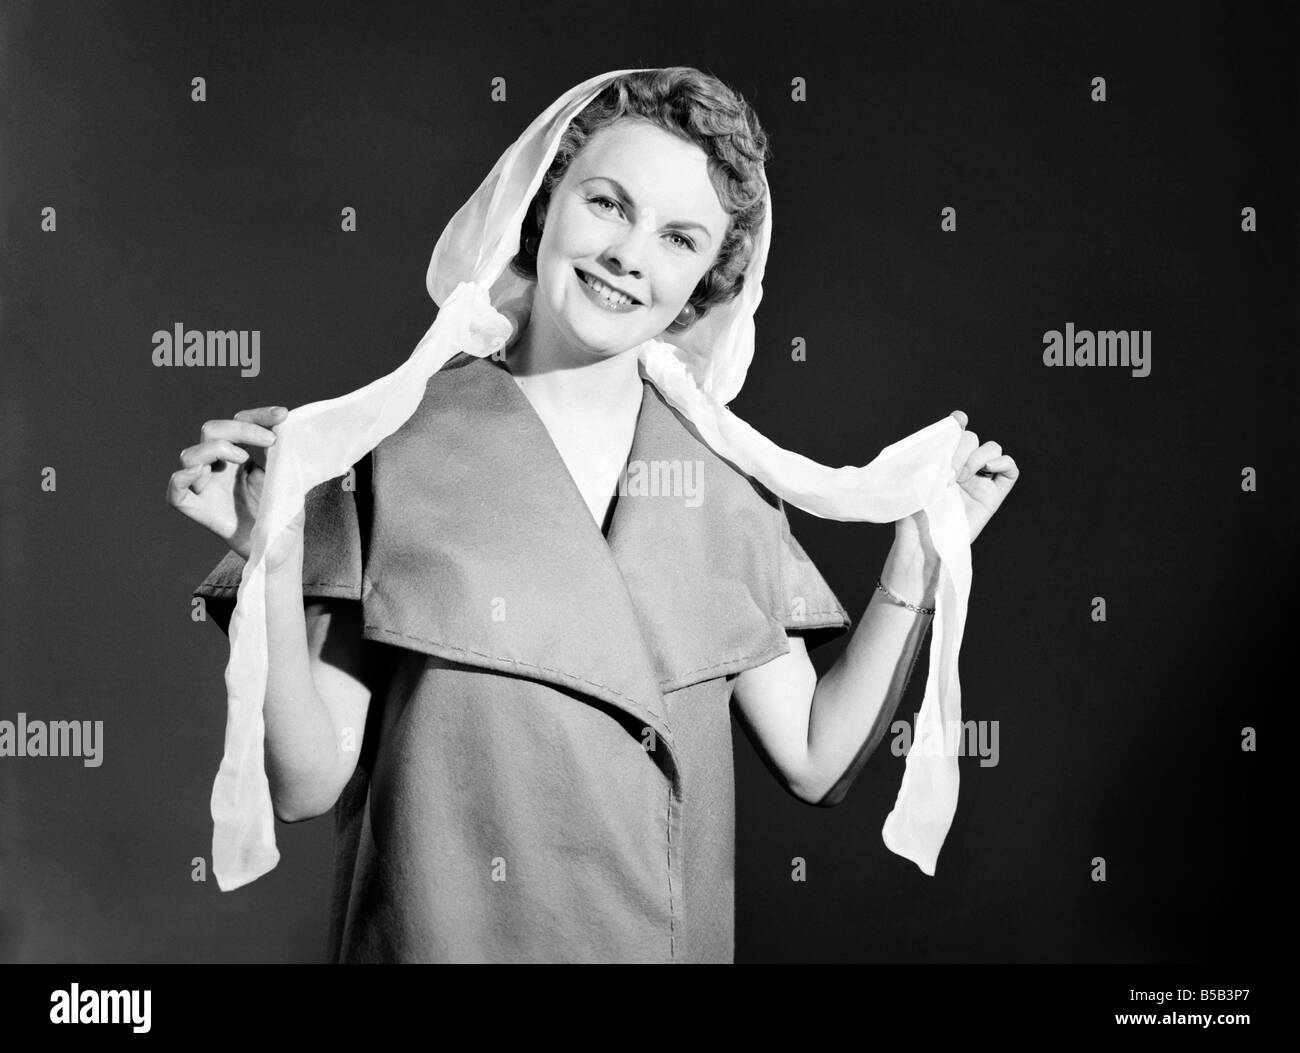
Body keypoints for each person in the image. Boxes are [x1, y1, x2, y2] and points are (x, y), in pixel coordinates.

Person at [167, 67, 1018, 963]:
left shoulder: (720, 482)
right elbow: (304, 782)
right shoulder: (387, 449)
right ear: (544, 206)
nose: (631, 254)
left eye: (679, 238)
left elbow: (815, 754)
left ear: (702, 283)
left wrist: (923, 551)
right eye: (609, 204)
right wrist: (274, 546)